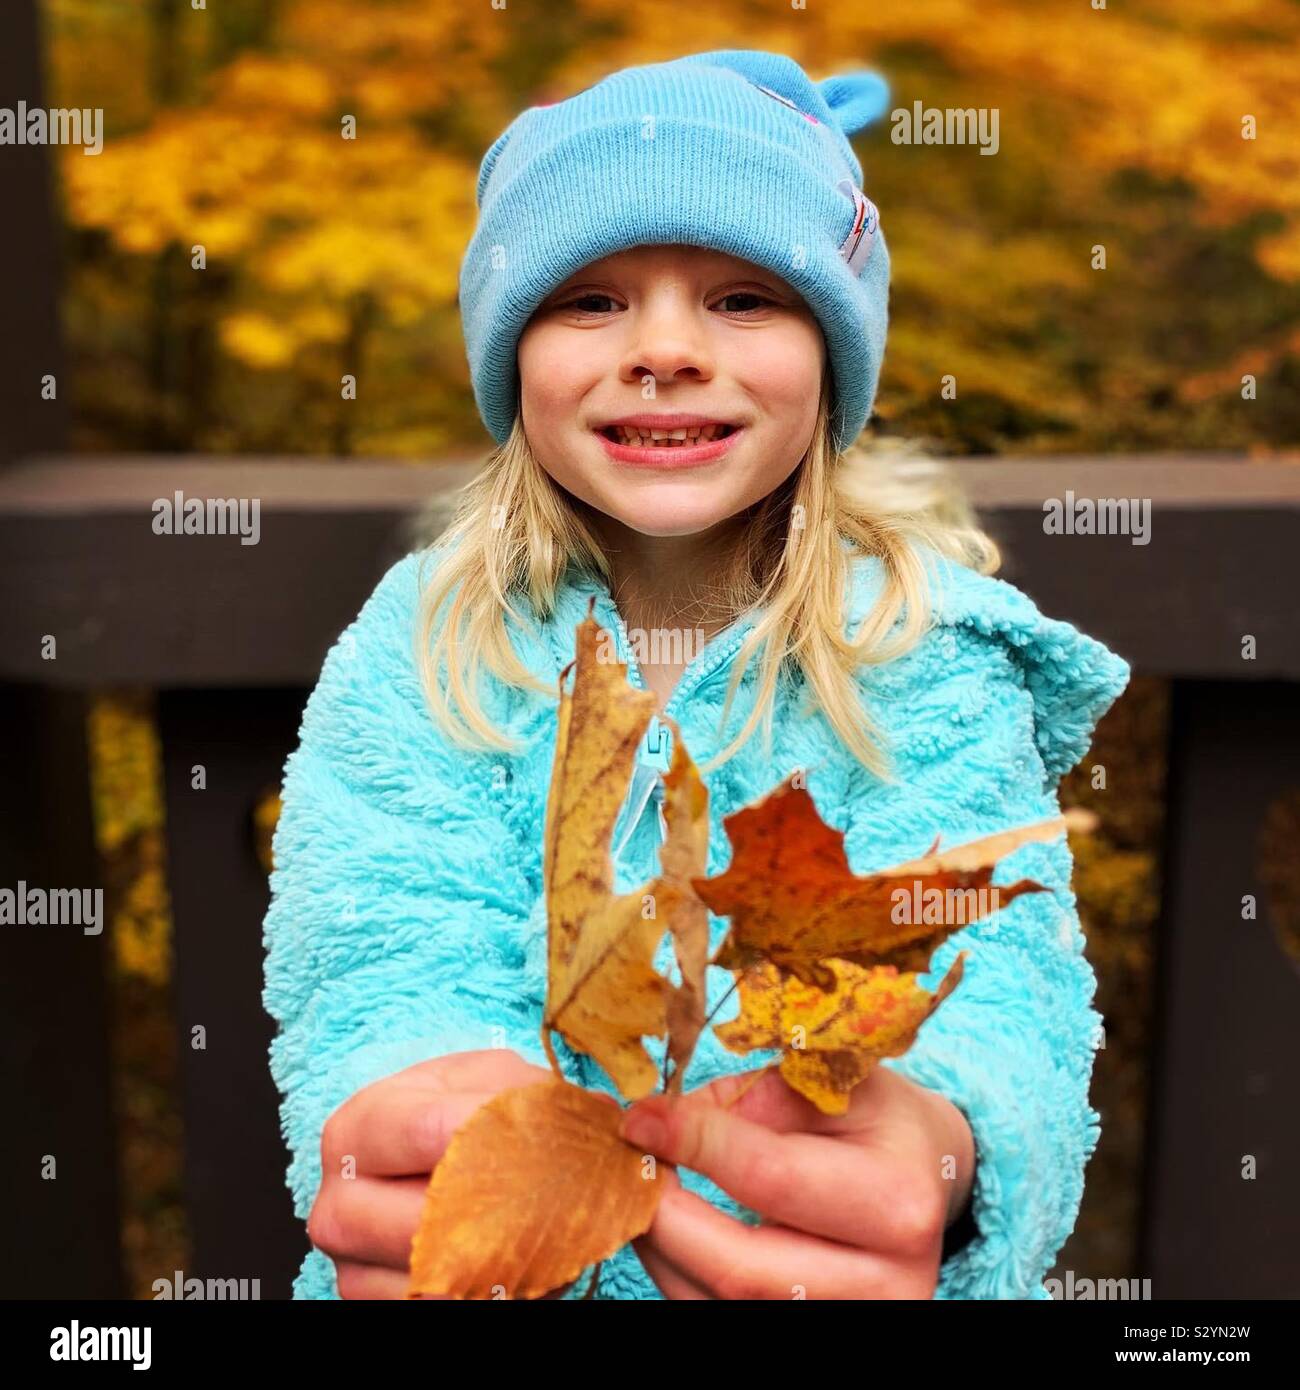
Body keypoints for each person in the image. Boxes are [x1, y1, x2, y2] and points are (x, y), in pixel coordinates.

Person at [262, 48, 1131, 1300]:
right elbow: (382, 950)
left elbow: (997, 985)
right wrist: (428, 1126)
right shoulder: (435, 646)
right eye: (590, 301)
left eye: (741, 299)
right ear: (512, 360)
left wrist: (949, 1154)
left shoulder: (922, 654)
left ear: (835, 356)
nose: (665, 347)